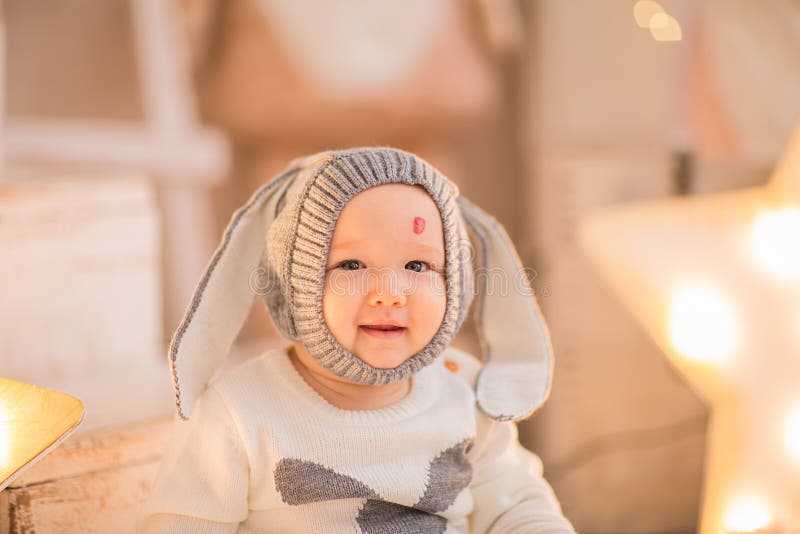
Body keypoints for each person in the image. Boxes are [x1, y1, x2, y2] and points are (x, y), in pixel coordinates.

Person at [138, 147, 575, 533]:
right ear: (294, 286)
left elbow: (514, 504)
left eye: (418, 267)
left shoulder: (468, 392)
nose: (390, 292)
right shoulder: (239, 413)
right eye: (351, 265)